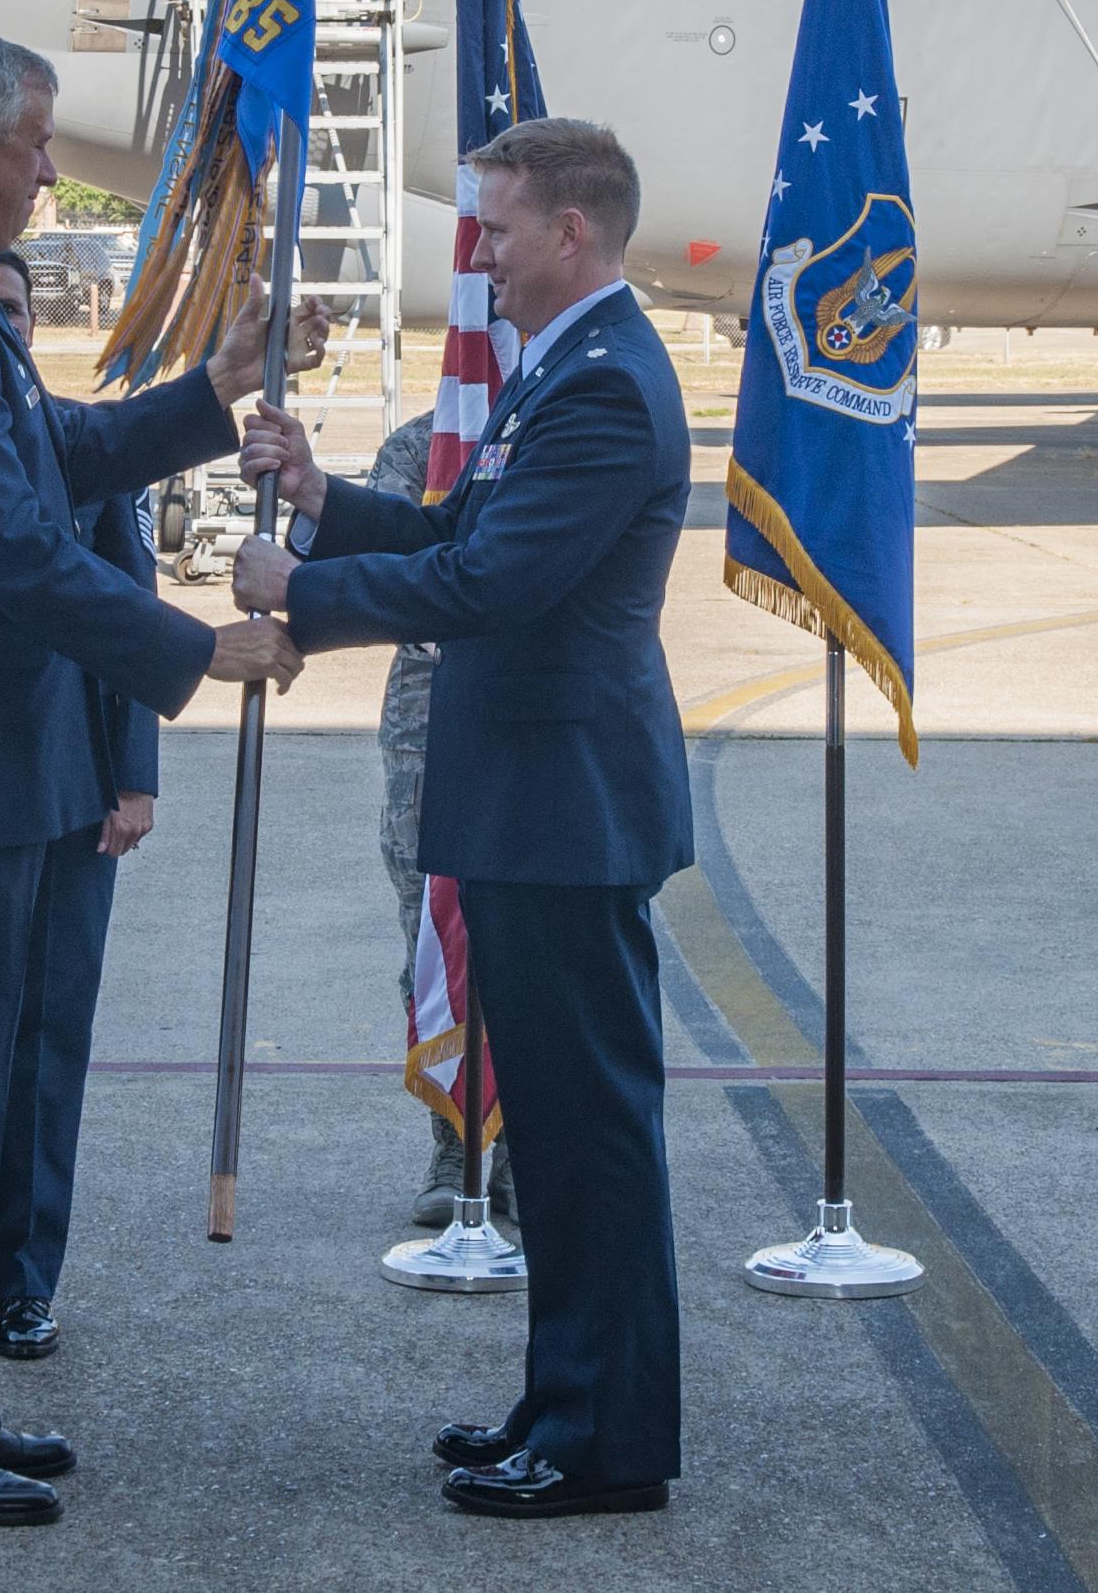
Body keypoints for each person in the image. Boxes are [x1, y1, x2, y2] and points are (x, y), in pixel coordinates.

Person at [0, 27, 319, 1529]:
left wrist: (202, 395)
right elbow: (15, 551)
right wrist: (194, 649)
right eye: (34, 143)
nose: (47, 168)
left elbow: (54, 456)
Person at [233, 118, 691, 1521]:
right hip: (530, 802)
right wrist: (322, 506)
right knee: (553, 1130)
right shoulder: (563, 371)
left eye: (494, 225)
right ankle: (563, 1404)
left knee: (589, 1131)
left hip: (563, 805)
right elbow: (455, 535)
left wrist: (296, 593)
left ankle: (607, 1439)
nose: (478, 249)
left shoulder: (604, 385)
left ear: (570, 230)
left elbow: (492, 584)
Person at [0, 247, 158, 1366]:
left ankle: (25, 1276)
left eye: (13, 309)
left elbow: (129, 605)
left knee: (46, 1041)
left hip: (75, 793)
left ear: (34, 324)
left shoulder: (81, 446)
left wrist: (132, 773)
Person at [362, 409, 515, 1230]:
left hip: (527, 716)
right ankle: (455, 1146)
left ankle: (523, 1153)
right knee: (430, 938)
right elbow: (384, 566)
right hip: (426, 722)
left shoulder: (551, 424)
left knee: (526, 938)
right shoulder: (424, 443)